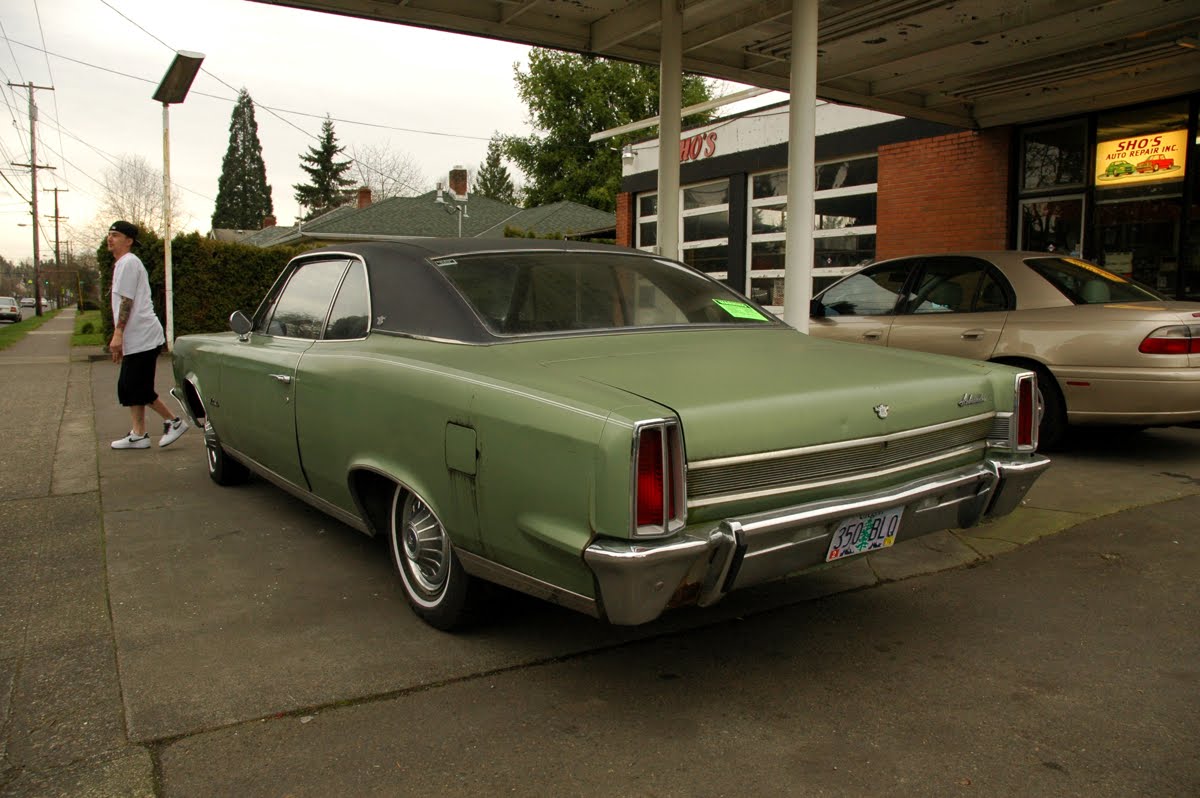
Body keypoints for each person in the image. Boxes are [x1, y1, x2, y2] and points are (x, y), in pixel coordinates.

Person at [107, 220, 189, 450]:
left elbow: (126, 301)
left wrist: (118, 334)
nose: (110, 238)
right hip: (136, 338)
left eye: (115, 235)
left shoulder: (128, 263)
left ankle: (174, 422)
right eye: (109, 234)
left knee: (137, 388)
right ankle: (139, 434)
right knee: (129, 387)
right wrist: (121, 338)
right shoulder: (124, 264)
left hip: (143, 336)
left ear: (129, 240)